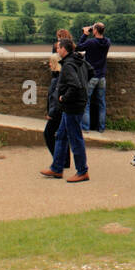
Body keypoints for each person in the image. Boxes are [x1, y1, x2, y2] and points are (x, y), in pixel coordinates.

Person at [41, 38, 91, 183]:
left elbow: (74, 85)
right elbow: (91, 71)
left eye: (58, 48)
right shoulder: (78, 59)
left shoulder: (69, 64)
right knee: (61, 136)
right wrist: (83, 88)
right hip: (74, 105)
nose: (57, 50)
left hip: (72, 106)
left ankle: (82, 171)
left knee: (75, 138)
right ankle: (56, 168)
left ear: (64, 49)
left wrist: (64, 97)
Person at [76, 22, 111, 132]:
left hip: (91, 76)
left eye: (93, 28)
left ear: (95, 31)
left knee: (86, 102)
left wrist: (85, 34)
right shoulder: (107, 42)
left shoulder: (91, 42)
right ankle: (101, 128)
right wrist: (93, 28)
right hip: (102, 77)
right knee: (101, 103)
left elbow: (77, 47)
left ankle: (85, 128)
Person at [42, 53, 70, 172]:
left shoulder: (56, 79)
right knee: (63, 135)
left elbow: (54, 98)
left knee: (48, 134)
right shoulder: (64, 76)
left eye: (50, 62)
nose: (48, 64)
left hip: (57, 112)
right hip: (64, 110)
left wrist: (51, 113)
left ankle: (59, 160)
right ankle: (66, 161)